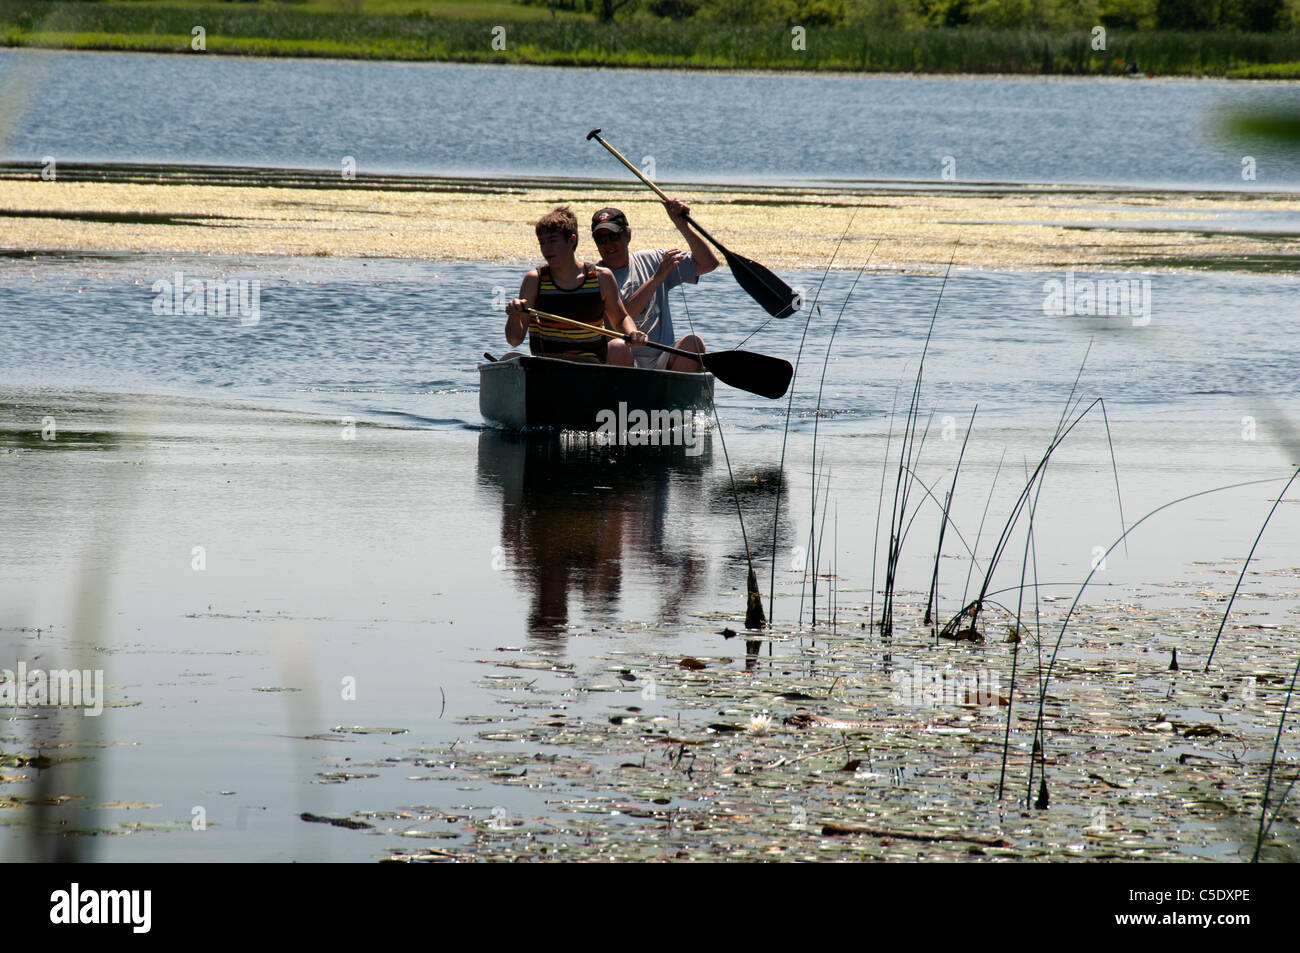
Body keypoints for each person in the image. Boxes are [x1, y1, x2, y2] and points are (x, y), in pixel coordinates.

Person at [505, 205, 646, 364]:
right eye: (542, 242)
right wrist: (514, 316)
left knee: (620, 347)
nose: (546, 249)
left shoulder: (601, 278)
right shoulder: (534, 280)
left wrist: (633, 333)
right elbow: (514, 340)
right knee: (508, 360)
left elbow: (620, 320)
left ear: (572, 240)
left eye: (552, 241)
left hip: (590, 367)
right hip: (547, 368)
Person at [591, 200, 718, 372]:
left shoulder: (654, 259)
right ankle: (623, 398)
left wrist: (682, 225)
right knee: (617, 346)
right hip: (622, 361)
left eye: (614, 237)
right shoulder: (596, 276)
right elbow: (618, 319)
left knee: (693, 343)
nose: (608, 245)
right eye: (601, 239)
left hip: (662, 360)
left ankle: (676, 397)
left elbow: (708, 264)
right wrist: (656, 279)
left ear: (627, 235)